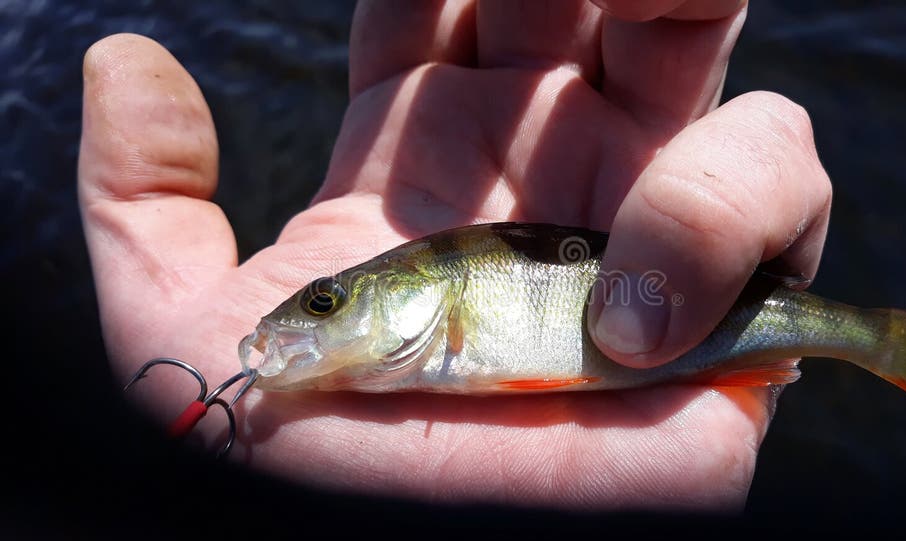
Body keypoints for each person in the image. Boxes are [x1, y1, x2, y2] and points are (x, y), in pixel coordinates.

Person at [78, 0, 831, 511]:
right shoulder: (221, 425)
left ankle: (873, 339)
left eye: (324, 300)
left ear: (419, 290)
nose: (308, 314)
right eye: (324, 298)